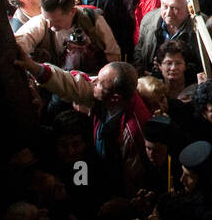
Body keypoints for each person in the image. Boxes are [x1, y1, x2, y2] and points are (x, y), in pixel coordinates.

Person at [14, 48, 149, 196]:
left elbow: (133, 178)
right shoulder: (106, 92)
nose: (93, 82)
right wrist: (33, 66)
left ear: (115, 97)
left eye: (98, 83)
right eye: (64, 145)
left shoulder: (135, 130)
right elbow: (72, 84)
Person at [15, 0, 120, 65]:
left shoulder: (92, 20)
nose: (49, 25)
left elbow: (114, 56)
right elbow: (21, 41)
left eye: (56, 21)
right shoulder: (41, 23)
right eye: (46, 19)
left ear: (72, 12)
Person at [134, 0, 198, 74]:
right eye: (165, 6)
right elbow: (139, 50)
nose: (168, 13)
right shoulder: (149, 20)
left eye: (175, 8)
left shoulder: (200, 29)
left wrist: (168, 68)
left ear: (189, 9)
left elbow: (202, 66)